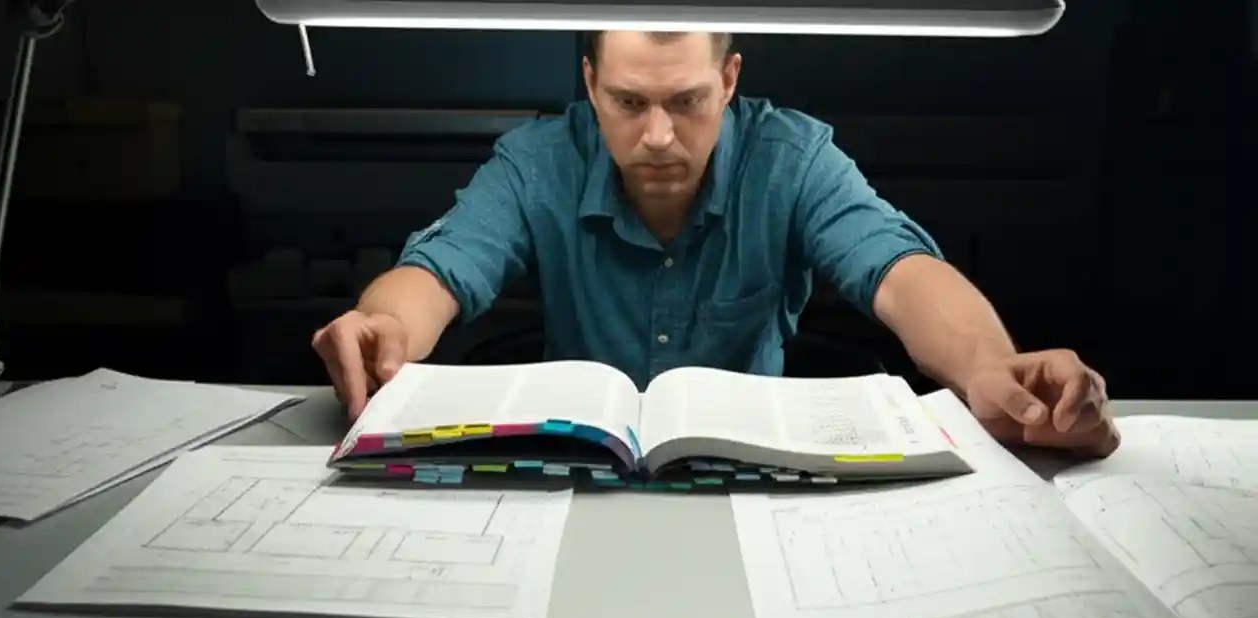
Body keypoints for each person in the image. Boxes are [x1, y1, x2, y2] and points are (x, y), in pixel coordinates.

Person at [313, 30, 1120, 458]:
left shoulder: (794, 159)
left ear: (729, 80)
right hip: (579, 484)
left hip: (754, 486)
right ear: (589, 83)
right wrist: (383, 327)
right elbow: (442, 267)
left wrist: (988, 368)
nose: (659, 136)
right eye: (628, 101)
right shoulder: (539, 162)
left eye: (689, 101)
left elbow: (900, 269)